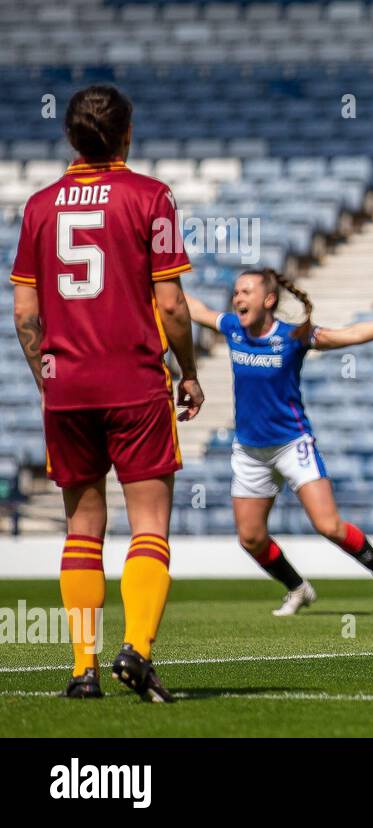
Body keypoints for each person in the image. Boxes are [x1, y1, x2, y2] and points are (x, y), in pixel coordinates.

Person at [10, 84, 204, 701]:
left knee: (82, 528)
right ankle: (138, 650)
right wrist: (190, 370)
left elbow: (23, 313)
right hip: (134, 380)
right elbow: (171, 305)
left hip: (66, 387)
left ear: (69, 136)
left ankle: (82, 668)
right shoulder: (151, 196)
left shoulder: (39, 207)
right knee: (149, 523)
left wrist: (47, 374)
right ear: (127, 132)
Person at [185, 271, 373, 617]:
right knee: (251, 538)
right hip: (250, 450)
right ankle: (298, 589)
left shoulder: (293, 336)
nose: (237, 298)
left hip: (292, 445)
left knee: (329, 526)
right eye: (236, 292)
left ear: (268, 300)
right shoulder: (233, 327)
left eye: (246, 292)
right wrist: (154, 278)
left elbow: (350, 335)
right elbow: (194, 308)